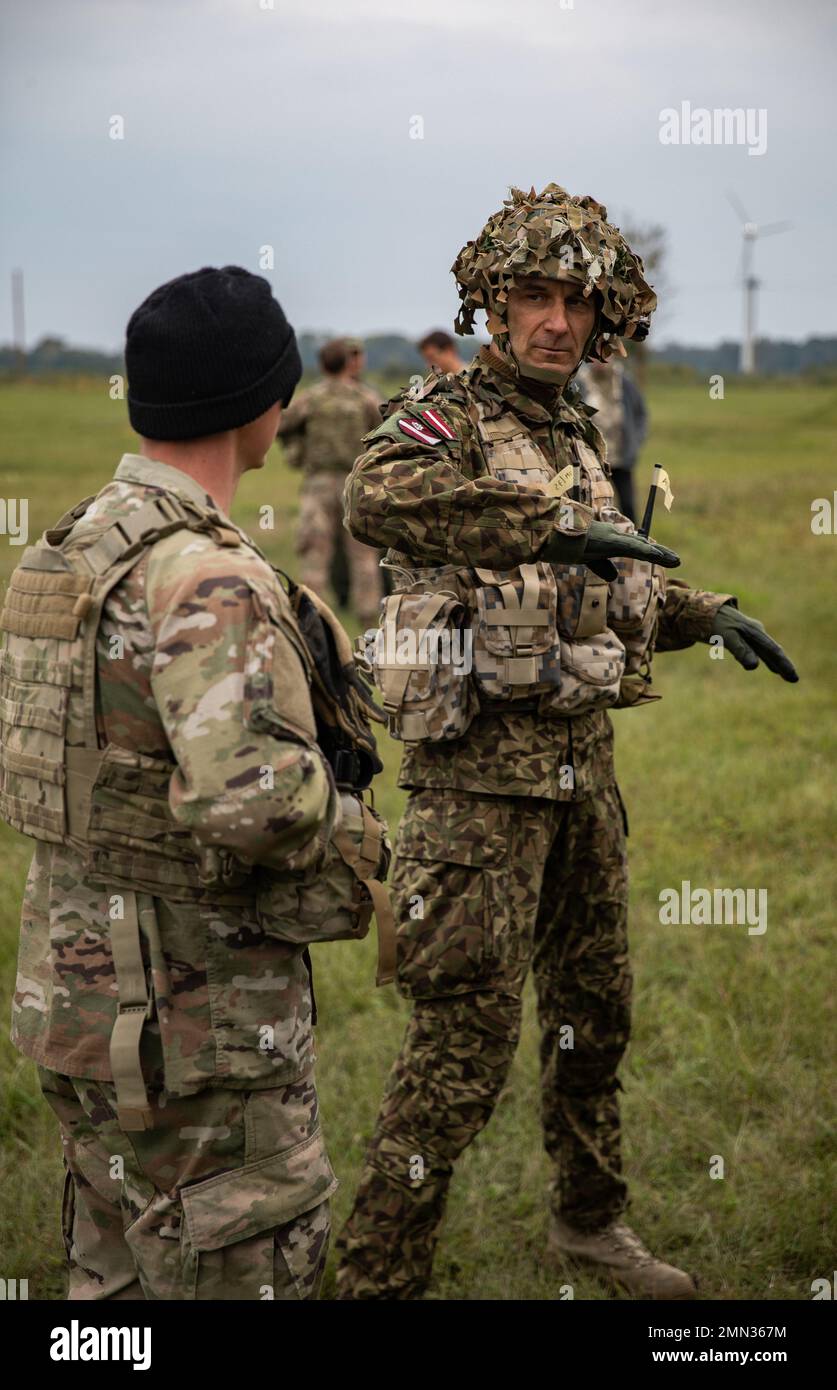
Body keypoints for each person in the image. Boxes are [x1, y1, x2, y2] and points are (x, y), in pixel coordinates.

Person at [335, 184, 798, 1301]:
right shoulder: (445, 416)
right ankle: (373, 1279)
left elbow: (603, 574)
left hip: (584, 774)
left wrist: (704, 611)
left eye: (577, 300)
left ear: (606, 313)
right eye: (533, 296)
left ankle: (593, 1229)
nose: (556, 320)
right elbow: (370, 494)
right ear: (494, 304)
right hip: (475, 799)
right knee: (458, 1057)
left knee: (596, 1020)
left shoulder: (578, 430)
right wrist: (544, 518)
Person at [0, 267, 390, 1301]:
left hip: (75, 1011)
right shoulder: (206, 575)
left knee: (112, 1298)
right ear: (266, 402)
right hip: (196, 1031)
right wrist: (357, 825)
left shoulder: (63, 550)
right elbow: (256, 801)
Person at [278, 337, 383, 626]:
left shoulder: (311, 399)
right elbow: (387, 431)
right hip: (358, 483)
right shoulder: (364, 398)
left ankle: (311, 617)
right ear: (348, 363)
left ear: (322, 364)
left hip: (319, 483)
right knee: (363, 556)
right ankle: (369, 619)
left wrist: (295, 451)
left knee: (315, 553)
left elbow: (281, 424)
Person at [576, 356, 647, 522]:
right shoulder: (580, 383)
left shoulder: (625, 383)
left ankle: (633, 544)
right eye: (595, 356)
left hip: (621, 457)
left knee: (628, 505)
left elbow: (641, 415)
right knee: (593, 505)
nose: (600, 360)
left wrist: (635, 442)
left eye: (605, 354)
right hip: (592, 460)